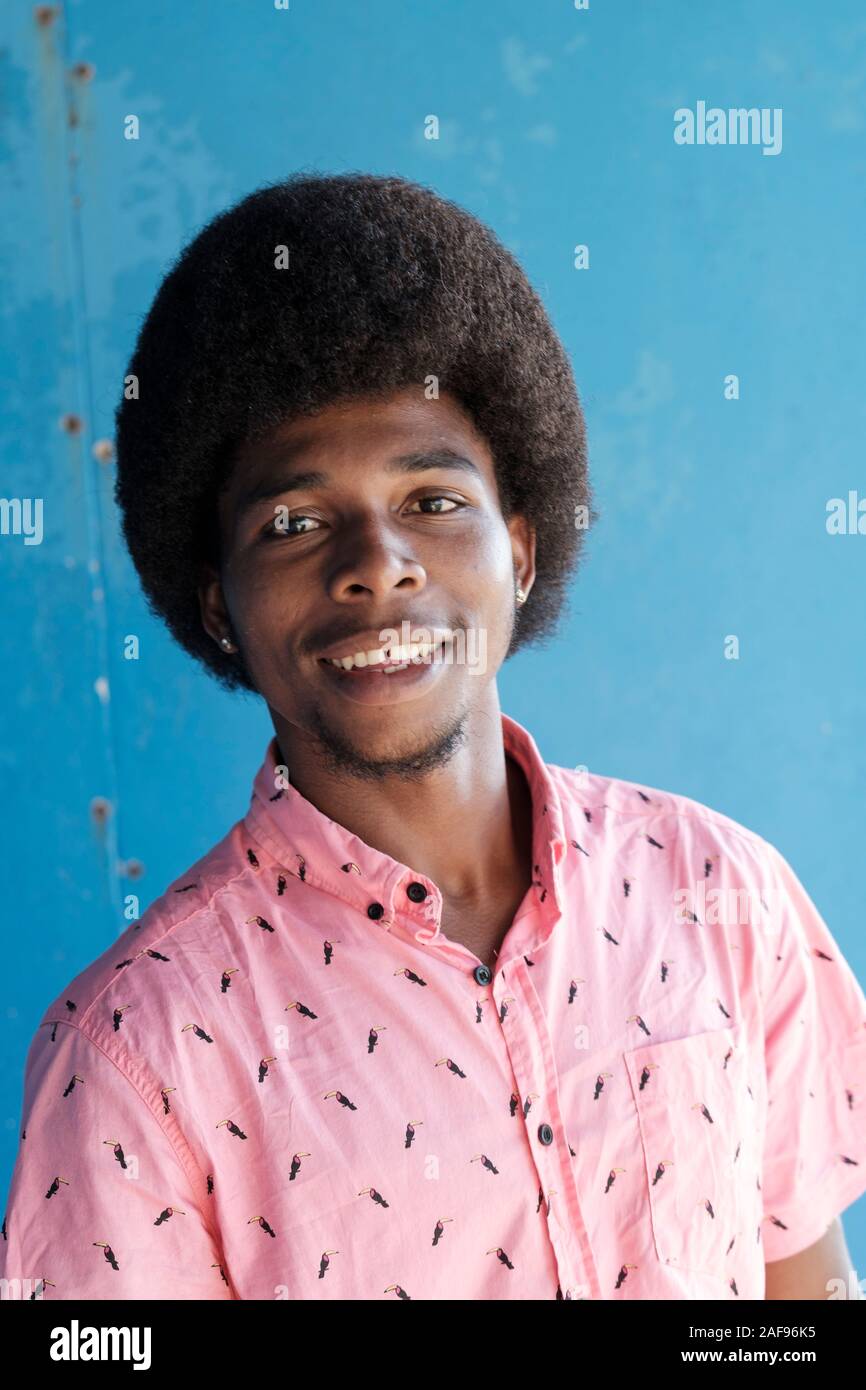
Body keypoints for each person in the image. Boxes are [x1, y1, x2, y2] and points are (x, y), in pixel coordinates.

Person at [2, 173, 864, 1301]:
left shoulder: (721, 893)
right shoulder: (134, 1056)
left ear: (522, 547)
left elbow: (801, 1291)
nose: (375, 561)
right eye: (295, 522)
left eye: (429, 499)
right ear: (216, 602)